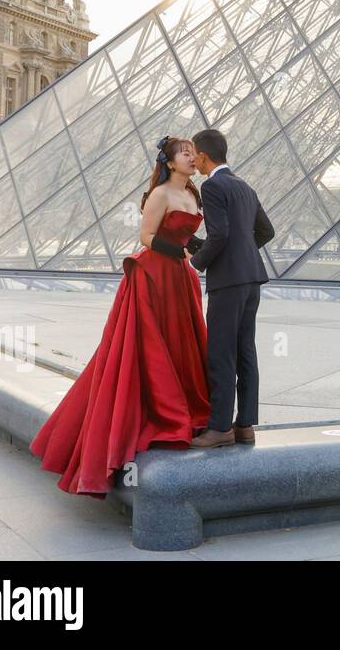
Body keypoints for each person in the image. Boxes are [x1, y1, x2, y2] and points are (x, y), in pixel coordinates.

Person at [29, 136, 210, 496]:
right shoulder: (160, 195)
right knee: (146, 350)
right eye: (185, 153)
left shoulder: (193, 193)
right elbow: (146, 236)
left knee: (181, 344)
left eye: (193, 152)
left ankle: (183, 406)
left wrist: (201, 249)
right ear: (170, 162)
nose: (192, 157)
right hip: (154, 276)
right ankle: (160, 412)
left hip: (180, 276)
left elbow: (189, 237)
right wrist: (181, 251)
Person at [188, 128, 275, 448]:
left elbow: (220, 235)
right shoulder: (244, 185)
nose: (193, 159)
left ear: (204, 155)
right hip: (252, 278)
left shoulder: (212, 186)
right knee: (245, 351)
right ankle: (245, 426)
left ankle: (220, 427)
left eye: (194, 153)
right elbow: (267, 230)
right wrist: (244, 251)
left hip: (228, 282)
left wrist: (194, 263)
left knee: (221, 353)